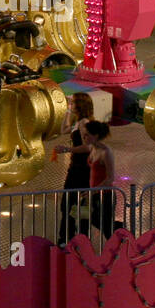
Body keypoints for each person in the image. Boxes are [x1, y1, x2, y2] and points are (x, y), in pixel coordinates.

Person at [54, 92, 95, 244]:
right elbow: (64, 129)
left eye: (74, 103)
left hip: (81, 169)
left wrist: (67, 150)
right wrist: (67, 111)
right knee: (71, 203)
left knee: (71, 203)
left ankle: (70, 237)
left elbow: (89, 146)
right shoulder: (79, 122)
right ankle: (74, 237)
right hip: (76, 167)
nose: (72, 105)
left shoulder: (84, 123)